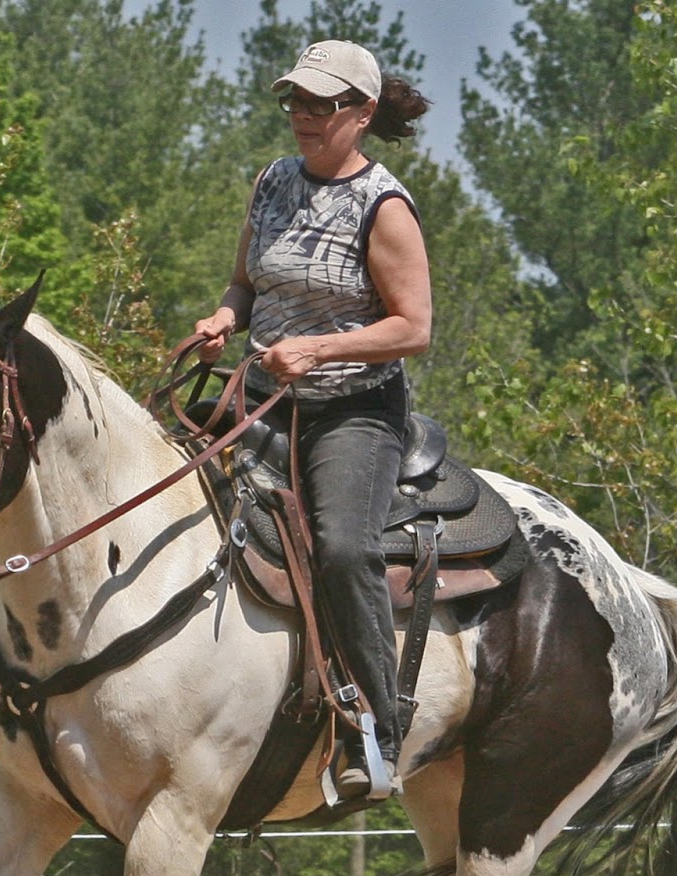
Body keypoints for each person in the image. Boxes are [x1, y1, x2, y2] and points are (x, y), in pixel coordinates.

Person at [193, 39, 432, 799]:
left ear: (362, 114)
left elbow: (414, 327)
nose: (303, 115)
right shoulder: (271, 181)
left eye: (321, 104)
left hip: (352, 412)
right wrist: (222, 319)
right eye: (295, 100)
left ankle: (377, 729)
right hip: (260, 395)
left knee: (343, 548)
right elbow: (243, 283)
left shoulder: (383, 206)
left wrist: (319, 348)